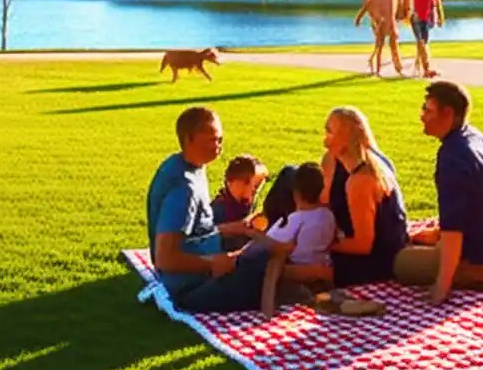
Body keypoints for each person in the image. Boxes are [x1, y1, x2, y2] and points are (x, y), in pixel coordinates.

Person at [394, 81, 483, 305]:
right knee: (421, 239)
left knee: (401, 263)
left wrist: (441, 286)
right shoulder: (472, 137)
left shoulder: (452, 159)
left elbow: (454, 231)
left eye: (428, 110)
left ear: (447, 114)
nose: (422, 116)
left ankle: (477, 273)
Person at [145, 106, 268, 312]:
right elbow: (165, 258)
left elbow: (196, 231)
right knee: (265, 263)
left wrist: (232, 228)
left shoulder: (186, 165)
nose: (219, 145)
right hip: (191, 288)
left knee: (259, 246)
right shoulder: (184, 188)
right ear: (189, 139)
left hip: (203, 259)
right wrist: (213, 264)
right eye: (213, 139)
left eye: (220, 138)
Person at [319, 106, 410, 286]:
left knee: (300, 268)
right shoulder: (368, 163)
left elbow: (363, 245)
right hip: (382, 250)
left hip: (377, 263)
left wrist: (324, 244)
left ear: (345, 139)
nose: (325, 141)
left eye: (329, 132)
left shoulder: (360, 180)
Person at [237, 162, 338, 318]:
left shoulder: (296, 219)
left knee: (266, 264)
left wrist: (251, 233)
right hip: (320, 265)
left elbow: (271, 244)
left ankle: (269, 309)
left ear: (296, 193)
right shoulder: (328, 215)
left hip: (294, 269)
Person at [354, 0, 404, 77]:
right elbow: (368, 4)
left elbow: (394, 4)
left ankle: (398, 68)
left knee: (394, 45)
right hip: (380, 20)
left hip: (390, 20)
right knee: (379, 45)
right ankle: (378, 70)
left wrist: (398, 17)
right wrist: (359, 17)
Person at [211, 154, 269, 250]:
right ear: (230, 182)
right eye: (247, 183)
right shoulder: (218, 209)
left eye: (257, 187)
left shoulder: (247, 206)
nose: (254, 191)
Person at [400, 0, 445, 78]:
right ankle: (425, 69)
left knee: (420, 42)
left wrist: (405, 14)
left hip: (415, 15)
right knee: (423, 42)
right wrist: (440, 15)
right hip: (426, 15)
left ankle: (421, 67)